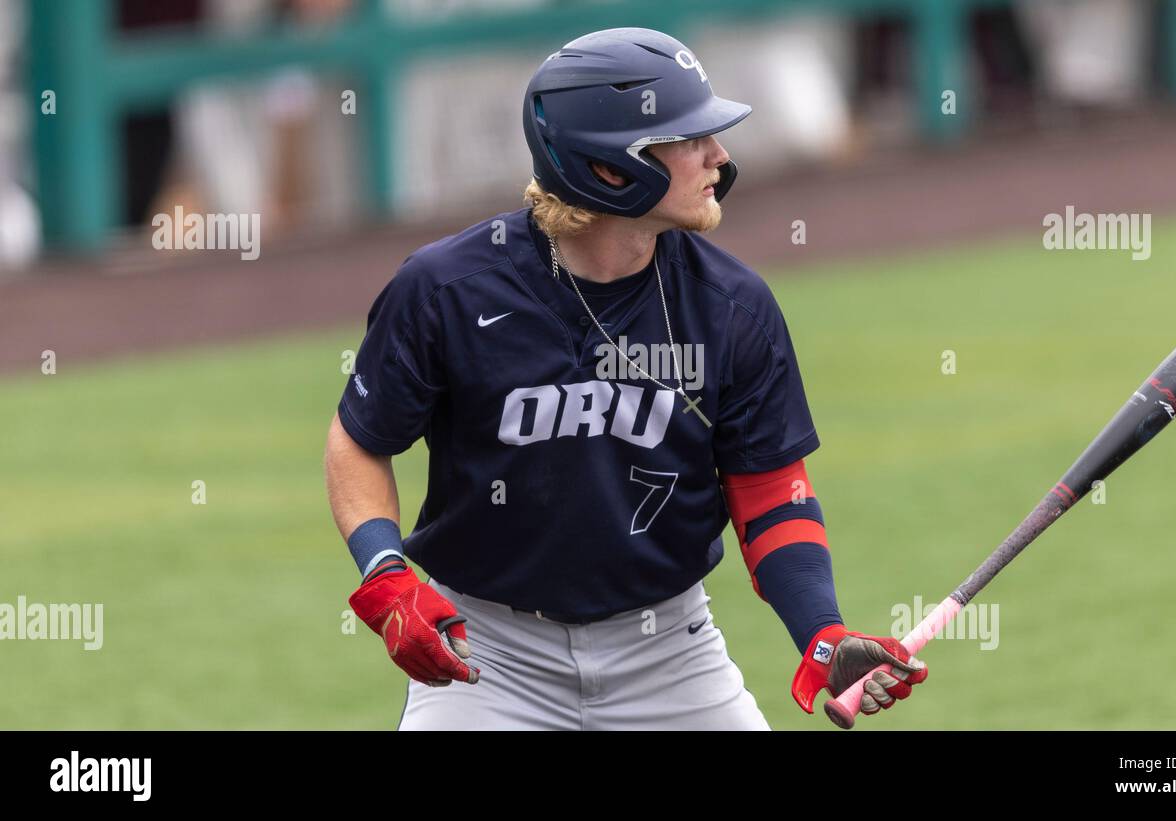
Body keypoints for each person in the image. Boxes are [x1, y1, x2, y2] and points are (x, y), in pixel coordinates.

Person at [323, 27, 928, 730]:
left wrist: (821, 633)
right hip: (486, 658)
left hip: (670, 657)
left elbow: (770, 494)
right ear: (611, 167)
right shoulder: (448, 290)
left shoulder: (733, 306)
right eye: (689, 138)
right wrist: (386, 572)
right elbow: (361, 440)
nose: (720, 157)